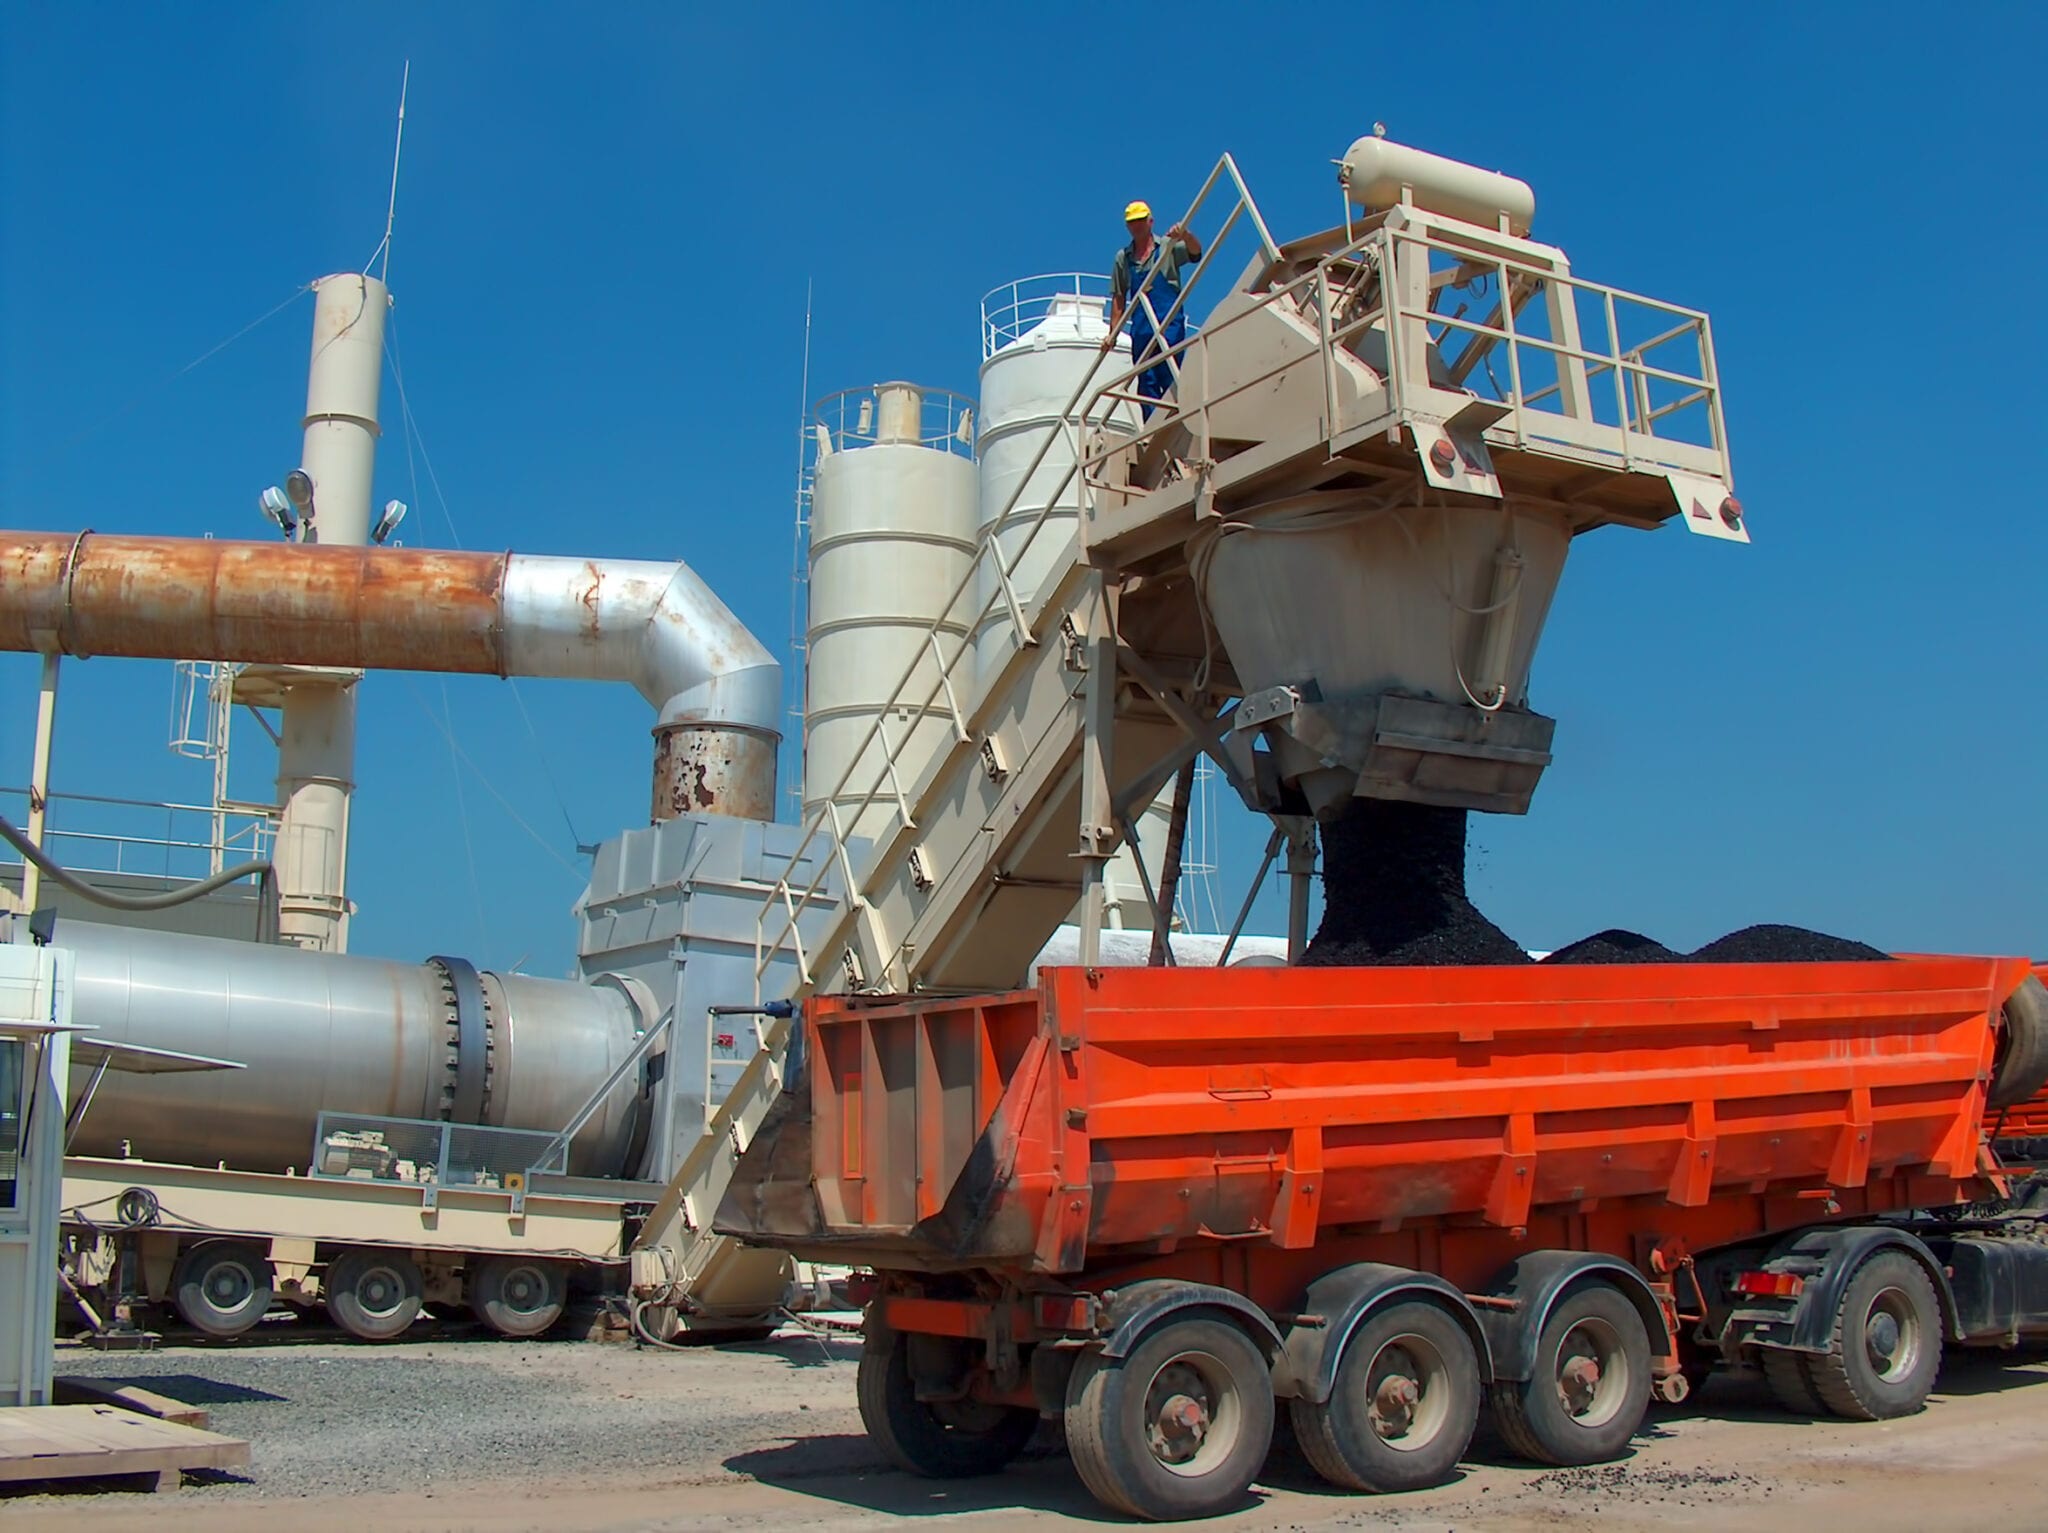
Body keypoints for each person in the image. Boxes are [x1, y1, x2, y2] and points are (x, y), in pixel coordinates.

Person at [1103, 200, 1202, 415]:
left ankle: (1175, 420)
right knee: (1146, 382)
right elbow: (1119, 296)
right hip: (1141, 327)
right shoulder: (1123, 258)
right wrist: (1113, 334)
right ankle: (1153, 430)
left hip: (1169, 321)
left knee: (1170, 373)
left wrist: (1185, 235)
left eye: (1140, 221)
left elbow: (1196, 253)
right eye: (1132, 222)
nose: (1136, 225)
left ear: (1150, 221)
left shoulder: (1167, 245)